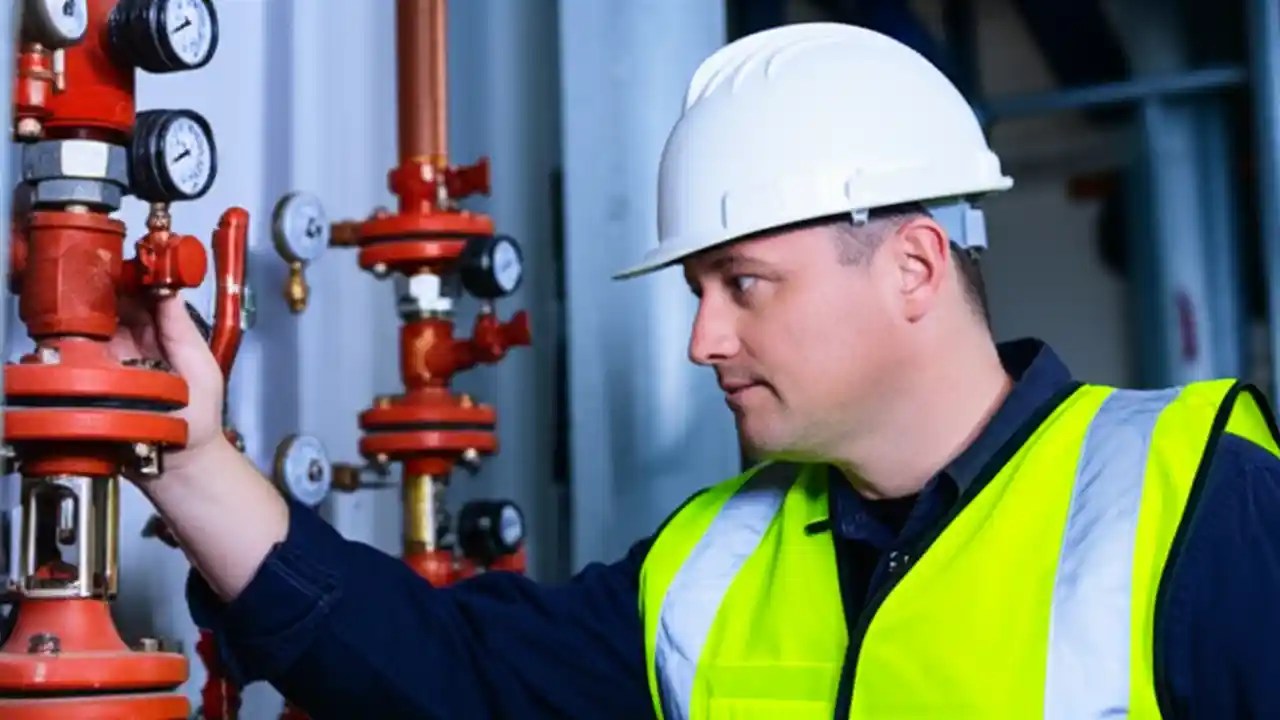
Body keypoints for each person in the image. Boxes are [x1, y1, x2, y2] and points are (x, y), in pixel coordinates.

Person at [117, 22, 1280, 720]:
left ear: (913, 266)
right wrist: (190, 461)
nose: (701, 341)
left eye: (744, 283)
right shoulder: (711, 565)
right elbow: (446, 680)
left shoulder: (1189, 503)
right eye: (696, 293)